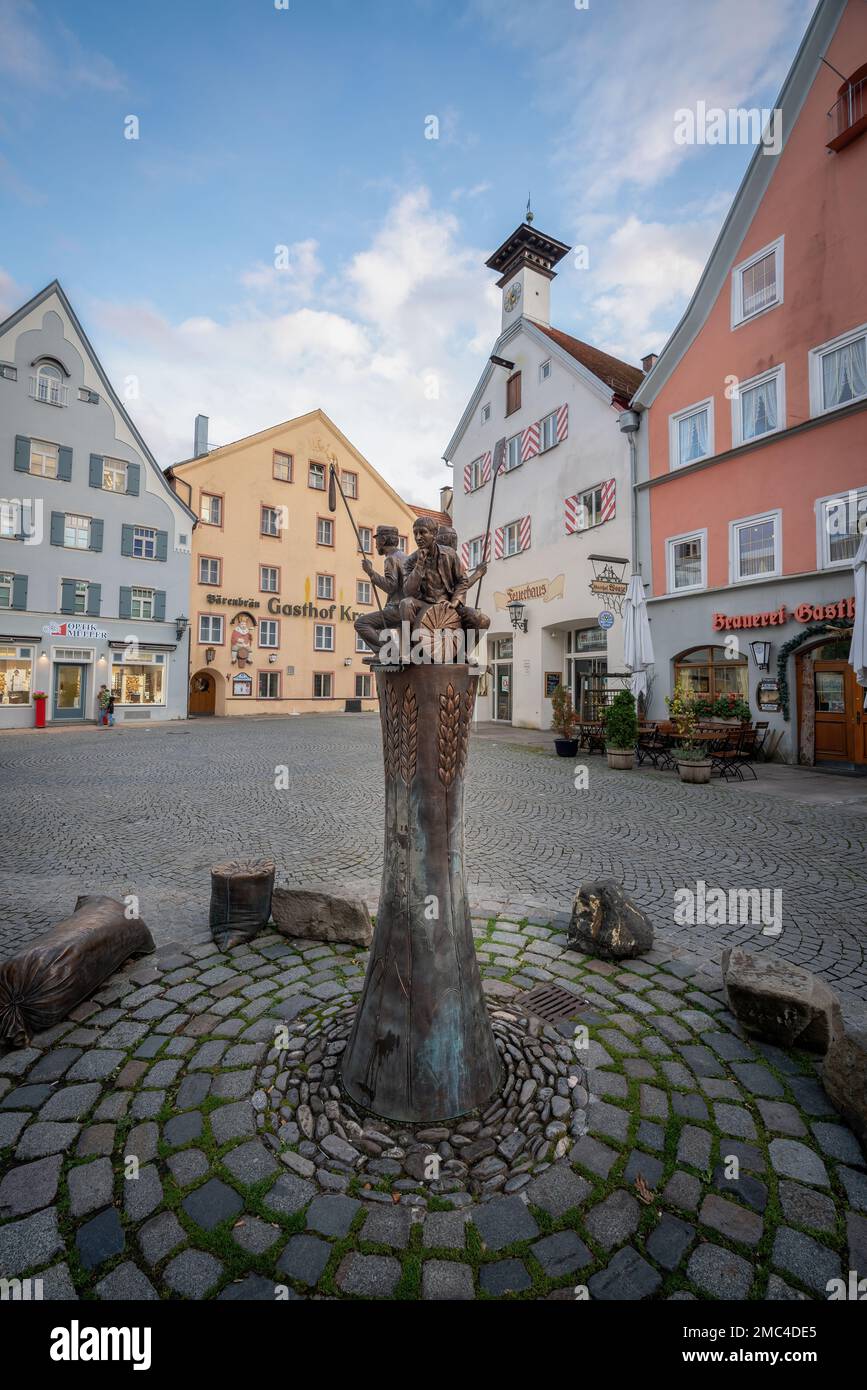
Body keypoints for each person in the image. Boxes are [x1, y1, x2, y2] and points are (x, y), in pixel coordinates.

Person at [401, 515, 490, 636]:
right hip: (424, 605)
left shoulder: (450, 554)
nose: (418, 537)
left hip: (448, 605)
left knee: (482, 620)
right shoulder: (410, 561)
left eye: (422, 533)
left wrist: (454, 602)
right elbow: (408, 592)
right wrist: (419, 565)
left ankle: (461, 653)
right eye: (415, 533)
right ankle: (408, 649)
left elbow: (462, 581)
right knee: (406, 603)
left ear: (435, 534)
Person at [354, 525, 408, 661]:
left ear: (383, 540)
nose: (376, 545)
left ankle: (386, 651)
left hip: (396, 609)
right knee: (379, 630)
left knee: (361, 623)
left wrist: (370, 572)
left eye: (377, 540)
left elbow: (390, 586)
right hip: (405, 608)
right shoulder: (403, 557)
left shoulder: (391, 559)